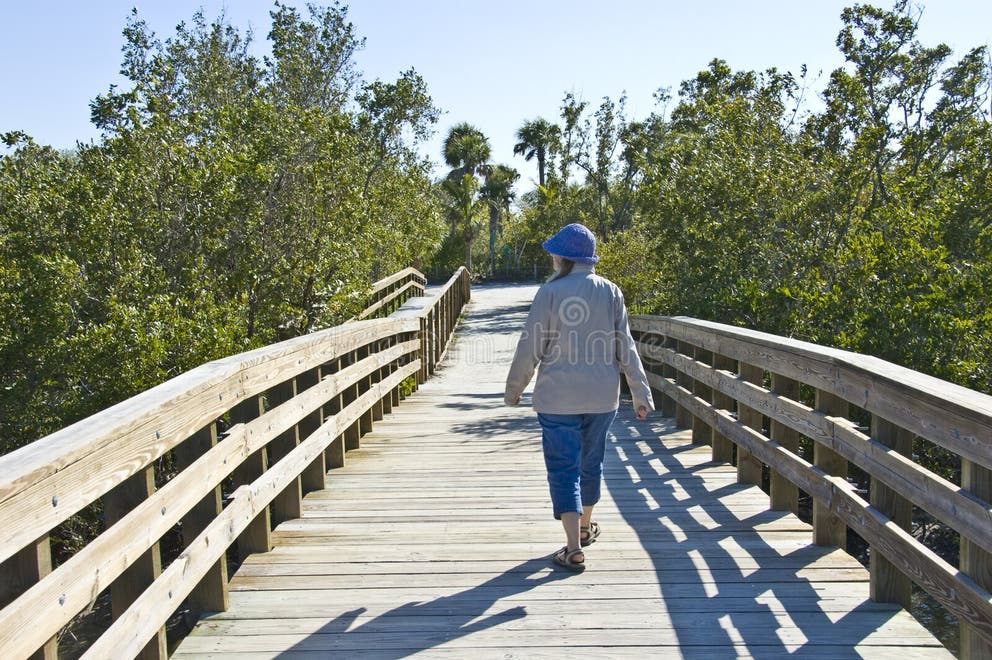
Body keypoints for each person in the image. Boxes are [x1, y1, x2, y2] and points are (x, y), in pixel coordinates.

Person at [504, 223, 654, 573]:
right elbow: (625, 347)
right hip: (603, 399)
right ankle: (585, 527)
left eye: (555, 253)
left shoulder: (551, 292)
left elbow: (531, 346)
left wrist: (515, 389)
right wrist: (640, 392)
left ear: (565, 257)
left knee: (563, 468)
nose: (552, 258)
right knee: (591, 462)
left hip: (558, 400)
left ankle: (573, 548)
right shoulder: (611, 292)